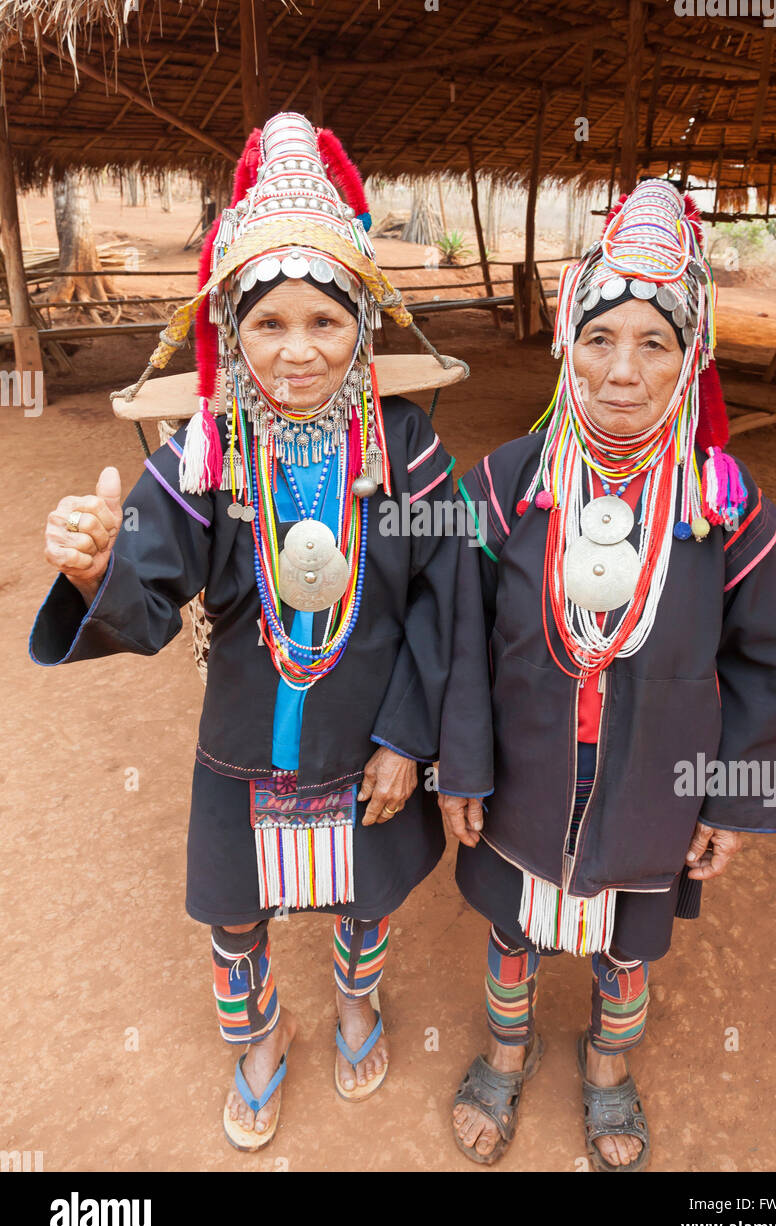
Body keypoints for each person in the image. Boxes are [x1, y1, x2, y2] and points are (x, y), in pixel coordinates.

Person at [30, 112, 457, 1151]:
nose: (297, 350)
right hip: (241, 740)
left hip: (367, 742)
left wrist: (408, 737)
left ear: (362, 323)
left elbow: (448, 601)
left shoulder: (405, 449)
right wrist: (97, 567)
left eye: (324, 320)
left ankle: (357, 1003)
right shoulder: (201, 453)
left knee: (365, 897)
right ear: (231, 328)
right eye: (268, 324)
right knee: (235, 913)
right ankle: (259, 1037)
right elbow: (149, 581)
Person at [437, 179, 776, 1171]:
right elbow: (461, 638)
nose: (623, 371)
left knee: (626, 941)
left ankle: (605, 1071)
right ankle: (505, 1052)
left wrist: (731, 797)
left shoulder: (726, 509)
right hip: (525, 773)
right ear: (564, 342)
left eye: (654, 343)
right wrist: (459, 765)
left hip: (652, 788)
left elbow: (758, 661)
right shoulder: (504, 485)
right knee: (512, 930)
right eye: (600, 338)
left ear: (690, 359)